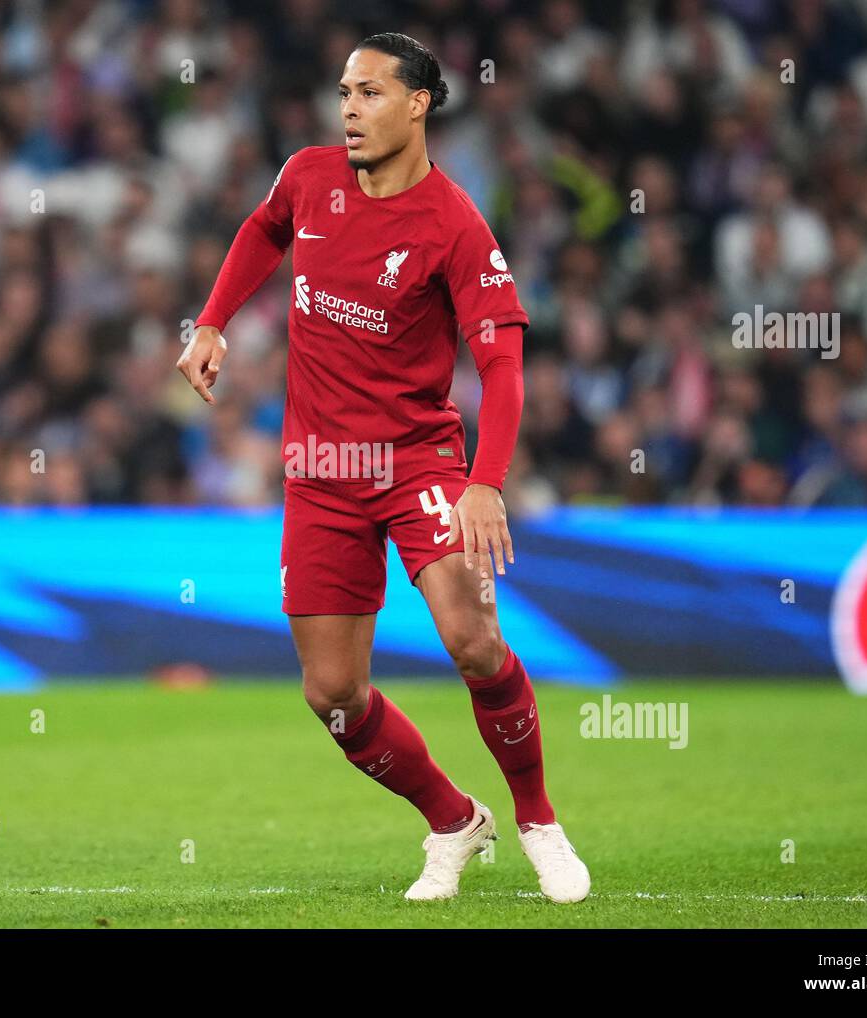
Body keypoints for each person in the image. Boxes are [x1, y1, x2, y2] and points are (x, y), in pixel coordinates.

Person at [177, 32, 589, 903]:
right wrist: (212, 320)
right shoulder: (307, 178)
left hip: (420, 462)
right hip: (320, 469)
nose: (350, 110)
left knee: (473, 640)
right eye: (343, 93)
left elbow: (504, 362)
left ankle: (537, 818)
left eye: (369, 93)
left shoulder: (455, 225)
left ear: (419, 103)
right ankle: (452, 820)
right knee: (331, 692)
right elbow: (262, 230)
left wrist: (484, 480)